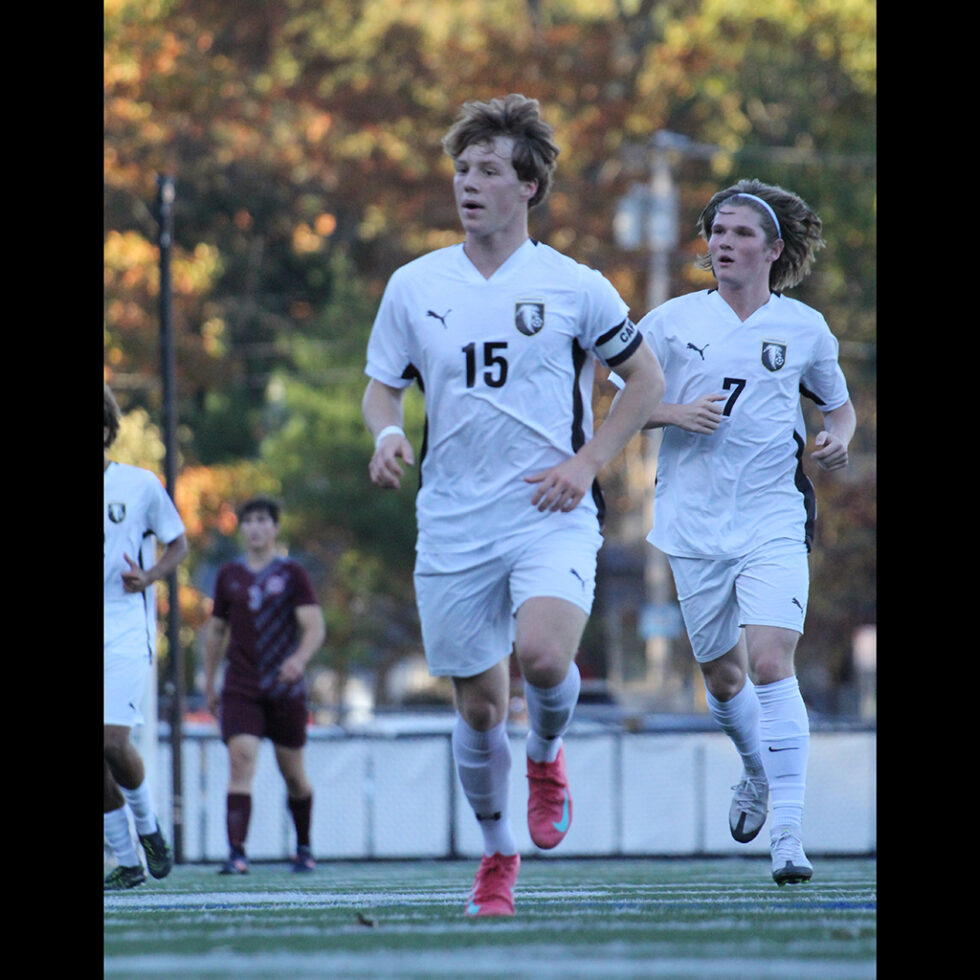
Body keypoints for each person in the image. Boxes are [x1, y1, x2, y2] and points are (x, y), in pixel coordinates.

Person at [362, 94, 665, 916]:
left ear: (527, 186)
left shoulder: (573, 285)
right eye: (462, 169)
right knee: (478, 705)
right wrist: (385, 437)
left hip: (548, 509)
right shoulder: (414, 284)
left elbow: (646, 381)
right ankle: (498, 858)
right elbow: (381, 390)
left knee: (541, 659)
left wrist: (590, 460)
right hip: (454, 520)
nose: (469, 183)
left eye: (489, 170)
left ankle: (548, 754)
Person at [626, 178, 856, 885]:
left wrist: (837, 440)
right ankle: (756, 771)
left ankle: (788, 832)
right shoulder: (667, 322)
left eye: (740, 233)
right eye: (717, 232)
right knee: (723, 681)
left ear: (773, 250)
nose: (723, 243)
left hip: (773, 517)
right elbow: (625, 405)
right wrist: (673, 414)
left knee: (768, 663)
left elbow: (838, 409)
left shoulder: (805, 328)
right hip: (692, 526)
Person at [202, 497, 326, 874]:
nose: (255, 528)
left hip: (285, 689)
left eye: (262, 520)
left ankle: (304, 846)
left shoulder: (292, 574)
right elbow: (217, 631)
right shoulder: (228, 575)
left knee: (294, 776)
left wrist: (298, 660)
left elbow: (314, 626)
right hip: (241, 686)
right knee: (240, 761)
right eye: (249, 521)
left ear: (275, 527)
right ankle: (236, 853)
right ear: (241, 529)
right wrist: (210, 682)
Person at [104, 383, 188, 890]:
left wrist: (151, 576)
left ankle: (150, 829)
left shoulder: (138, 485)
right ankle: (127, 861)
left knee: (112, 741)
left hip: (123, 624)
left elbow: (178, 542)